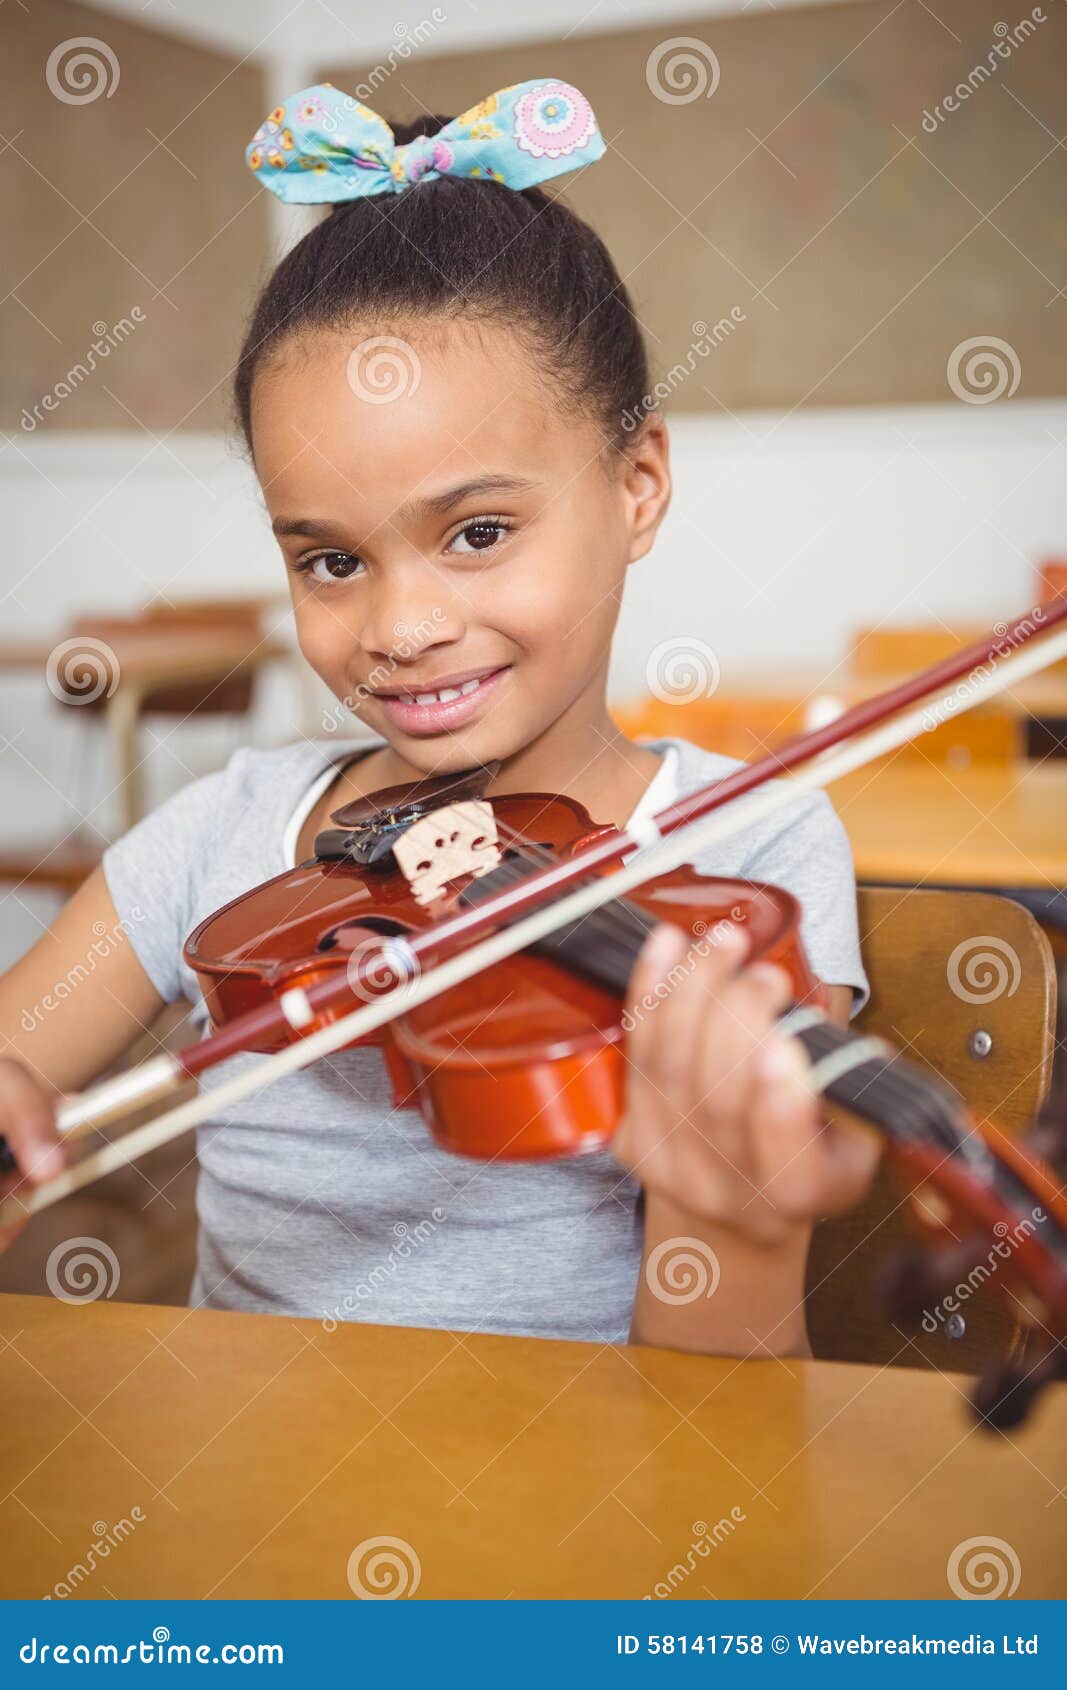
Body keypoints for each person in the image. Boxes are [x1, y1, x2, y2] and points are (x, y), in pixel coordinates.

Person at [0, 79, 878, 1356]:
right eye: (330, 560)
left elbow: (718, 1433)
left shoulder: (750, 860)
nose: (400, 628)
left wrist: (731, 1219)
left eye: (476, 533)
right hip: (237, 1514)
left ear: (636, 486)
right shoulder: (221, 840)